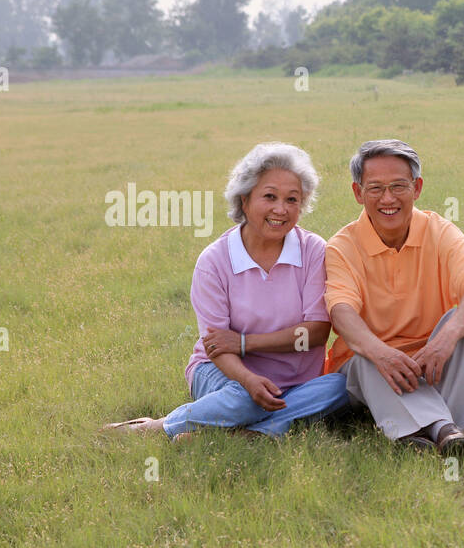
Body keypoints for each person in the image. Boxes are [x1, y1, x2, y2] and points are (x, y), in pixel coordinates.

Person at [103, 143, 349, 438]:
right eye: (269, 196)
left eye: (292, 199)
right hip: (224, 372)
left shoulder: (313, 251)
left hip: (298, 380)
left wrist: (246, 343)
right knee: (245, 399)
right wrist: (248, 379)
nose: (281, 209)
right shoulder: (214, 261)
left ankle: (238, 433)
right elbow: (217, 347)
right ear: (244, 200)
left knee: (341, 386)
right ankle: (161, 428)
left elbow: (315, 335)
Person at [323, 139, 464, 454]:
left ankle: (421, 434)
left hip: (432, 362)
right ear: (358, 192)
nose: (387, 198)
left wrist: (445, 340)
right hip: (373, 367)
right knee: (364, 354)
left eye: (398, 186)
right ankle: (445, 429)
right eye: (375, 188)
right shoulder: (342, 246)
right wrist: (382, 353)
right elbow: (341, 313)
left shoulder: (440, 231)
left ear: (416, 188)